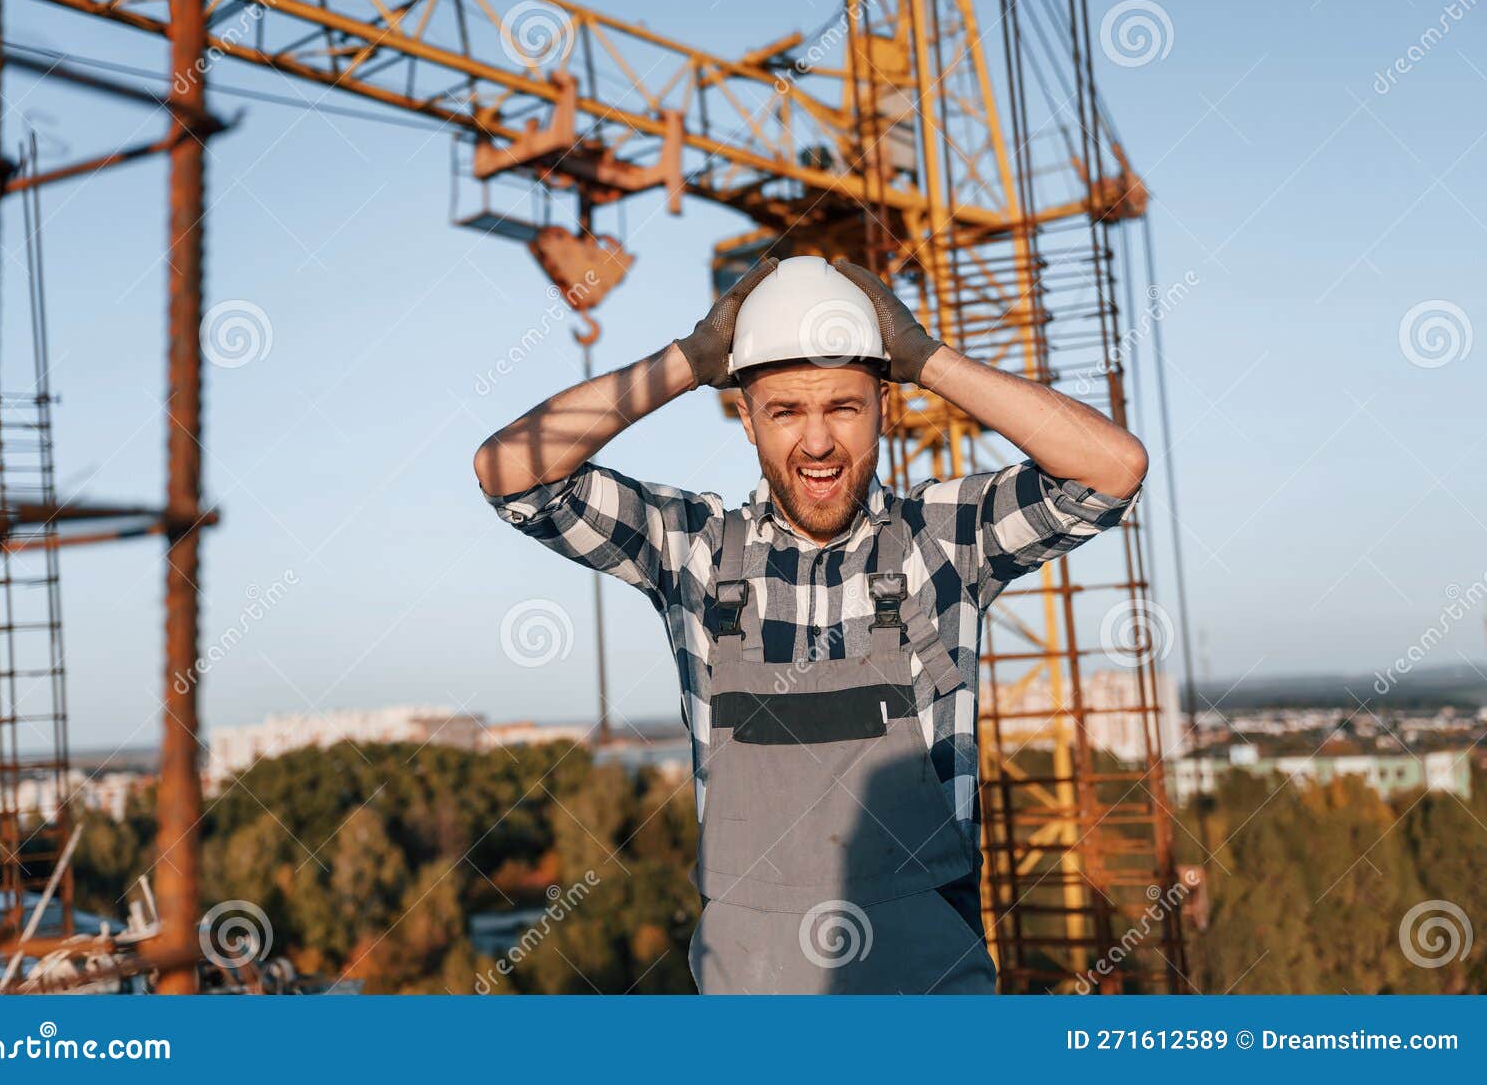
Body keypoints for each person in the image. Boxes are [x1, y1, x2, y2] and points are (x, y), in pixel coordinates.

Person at [472, 255, 1148, 993]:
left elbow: (1111, 470)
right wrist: (688, 361)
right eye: (785, 411)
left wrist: (929, 360)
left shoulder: (944, 539)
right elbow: (511, 473)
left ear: (885, 405)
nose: (817, 442)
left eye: (844, 408)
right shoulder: (694, 551)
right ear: (746, 417)